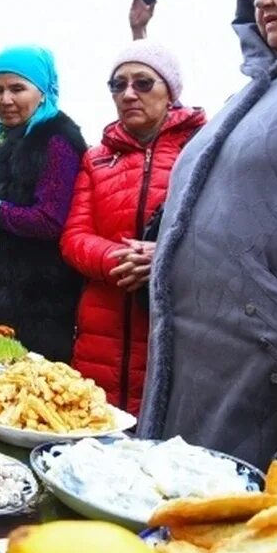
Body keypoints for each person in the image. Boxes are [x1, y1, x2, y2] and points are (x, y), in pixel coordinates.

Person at [138, 0, 277, 468]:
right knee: (187, 515)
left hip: (270, 363)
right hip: (203, 359)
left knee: (250, 536)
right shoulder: (255, 94)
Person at [60, 41, 205, 415]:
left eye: (143, 83)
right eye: (117, 84)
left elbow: (224, 236)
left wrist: (166, 257)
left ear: (170, 92)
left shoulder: (203, 150)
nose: (128, 94)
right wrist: (118, 258)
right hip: (100, 334)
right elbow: (74, 236)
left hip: (175, 328)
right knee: (95, 437)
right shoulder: (97, 158)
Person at [0, 47, 86, 362]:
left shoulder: (56, 139)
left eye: (17, 88)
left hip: (42, 305)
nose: (5, 99)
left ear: (43, 91)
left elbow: (49, 221)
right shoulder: (1, 137)